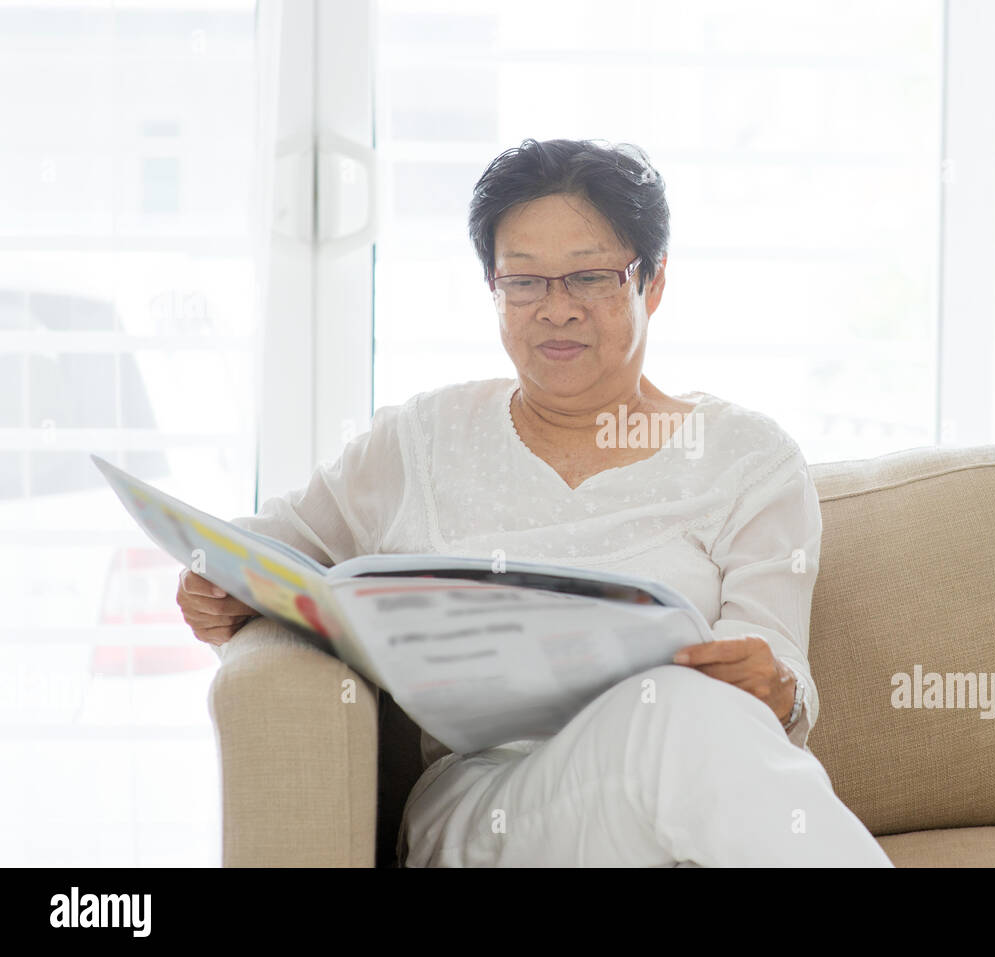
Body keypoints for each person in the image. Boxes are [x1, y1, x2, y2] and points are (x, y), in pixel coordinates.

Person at [176, 137, 894, 868]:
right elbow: (266, 543)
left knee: (683, 711)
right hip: (486, 808)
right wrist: (216, 582)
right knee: (682, 716)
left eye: (588, 278)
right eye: (523, 281)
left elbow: (775, 660)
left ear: (653, 282)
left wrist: (771, 684)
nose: (557, 310)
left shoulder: (747, 457)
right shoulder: (420, 441)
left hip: (681, 780)